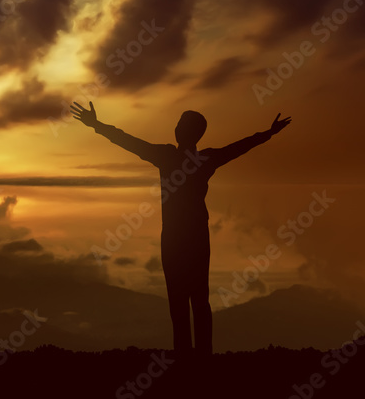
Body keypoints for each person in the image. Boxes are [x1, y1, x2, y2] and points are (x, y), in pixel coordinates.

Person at [70, 101, 291, 358]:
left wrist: (97, 125)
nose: (176, 129)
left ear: (185, 132)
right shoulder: (205, 158)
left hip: (175, 239)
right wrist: (268, 133)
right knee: (199, 300)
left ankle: (186, 358)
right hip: (197, 237)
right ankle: (201, 357)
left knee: (181, 301)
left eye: (179, 125)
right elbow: (238, 148)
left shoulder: (168, 156)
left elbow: (129, 141)